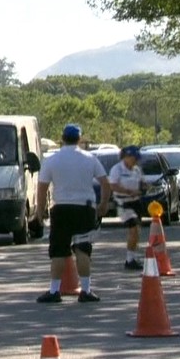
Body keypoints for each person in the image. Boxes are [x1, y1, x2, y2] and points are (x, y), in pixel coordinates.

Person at [34, 124, 110, 303]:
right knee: (83, 249)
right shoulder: (90, 159)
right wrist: (103, 204)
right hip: (84, 209)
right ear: (79, 139)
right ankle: (86, 290)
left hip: (61, 209)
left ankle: (54, 291)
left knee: (58, 251)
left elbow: (42, 188)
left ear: (62, 139)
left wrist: (39, 211)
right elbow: (105, 184)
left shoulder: (52, 160)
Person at [109, 145, 145, 270]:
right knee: (133, 229)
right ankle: (129, 260)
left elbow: (141, 184)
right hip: (123, 203)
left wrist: (144, 187)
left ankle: (132, 257)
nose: (135, 161)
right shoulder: (117, 169)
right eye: (134, 158)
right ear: (127, 157)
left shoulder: (136, 170)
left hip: (136, 203)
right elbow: (113, 186)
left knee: (137, 232)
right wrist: (128, 191)